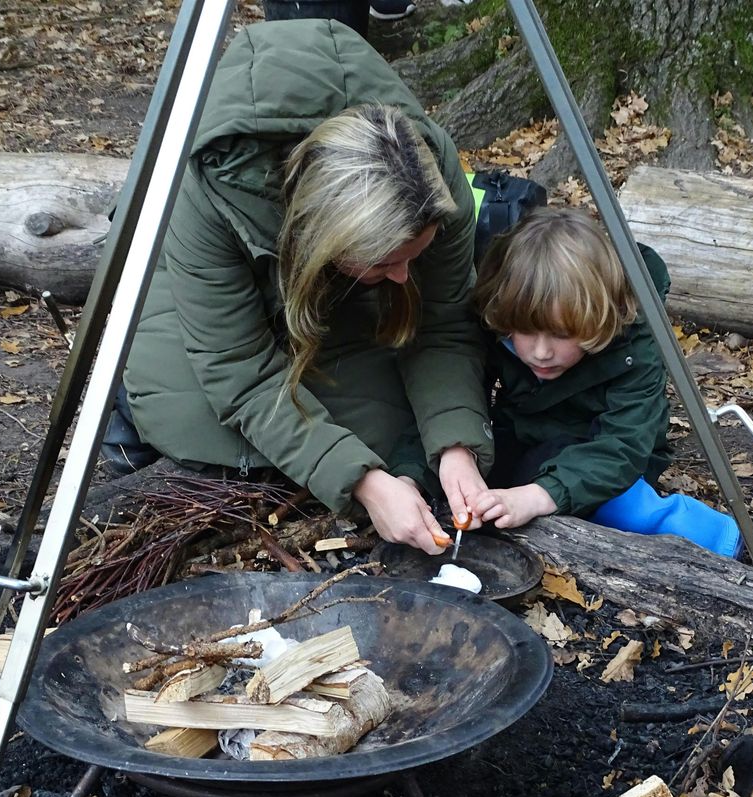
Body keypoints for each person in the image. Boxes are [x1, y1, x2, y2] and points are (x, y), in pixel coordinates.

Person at [121, 19, 493, 554]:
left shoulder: (430, 174)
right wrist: (362, 481)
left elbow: (444, 319)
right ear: (324, 242)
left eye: (414, 257)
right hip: (202, 305)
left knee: (390, 434)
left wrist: (456, 444)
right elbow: (237, 370)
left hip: (336, 298)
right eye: (388, 262)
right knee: (194, 421)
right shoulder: (206, 187)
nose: (405, 277)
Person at [469, 208, 741, 557]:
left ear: (597, 319)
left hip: (607, 452)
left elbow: (625, 444)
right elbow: (464, 388)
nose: (540, 352)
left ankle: (714, 534)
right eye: (525, 332)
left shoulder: (636, 341)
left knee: (625, 511)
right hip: (528, 435)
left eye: (561, 334)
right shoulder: (503, 310)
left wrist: (540, 495)